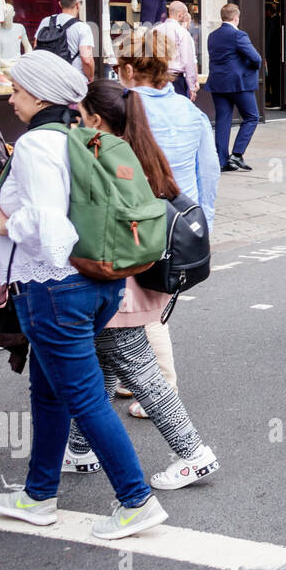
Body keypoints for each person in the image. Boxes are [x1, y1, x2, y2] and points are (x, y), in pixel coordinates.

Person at [0, 50, 168, 539]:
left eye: (18, 90)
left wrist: (4, 222)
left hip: (56, 288)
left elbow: (50, 227)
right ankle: (39, 495)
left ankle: (137, 500)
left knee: (84, 399)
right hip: (94, 284)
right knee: (48, 393)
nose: (12, 98)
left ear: (40, 94)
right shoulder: (78, 138)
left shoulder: (35, 145)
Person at [63, 79, 219, 489]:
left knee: (140, 373)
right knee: (102, 366)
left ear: (96, 120)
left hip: (122, 286)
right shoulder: (142, 150)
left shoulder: (105, 158)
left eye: (80, 117)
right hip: (142, 278)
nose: (76, 125)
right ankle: (79, 450)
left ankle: (194, 453)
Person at [117, 27, 219, 405]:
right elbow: (209, 170)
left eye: (118, 64)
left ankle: (160, 388)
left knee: (141, 306)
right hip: (177, 222)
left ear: (129, 69)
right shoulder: (190, 110)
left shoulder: (123, 106)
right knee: (148, 300)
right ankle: (136, 377)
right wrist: (203, 220)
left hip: (134, 217)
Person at [206, 2, 262, 172]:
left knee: (223, 120)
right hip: (239, 84)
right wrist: (247, 67)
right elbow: (256, 58)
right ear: (236, 18)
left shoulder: (212, 36)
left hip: (218, 83)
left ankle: (222, 161)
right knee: (252, 117)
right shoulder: (239, 35)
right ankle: (237, 155)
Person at [34, 0, 94, 80]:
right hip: (73, 79)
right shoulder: (83, 27)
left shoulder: (46, 21)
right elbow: (86, 59)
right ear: (78, 5)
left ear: (60, 4)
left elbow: (36, 46)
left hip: (48, 78)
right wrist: (91, 77)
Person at [159, 1, 198, 101]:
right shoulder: (182, 32)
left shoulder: (154, 30)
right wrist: (192, 87)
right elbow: (188, 61)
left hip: (157, 77)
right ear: (180, 15)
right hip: (175, 79)